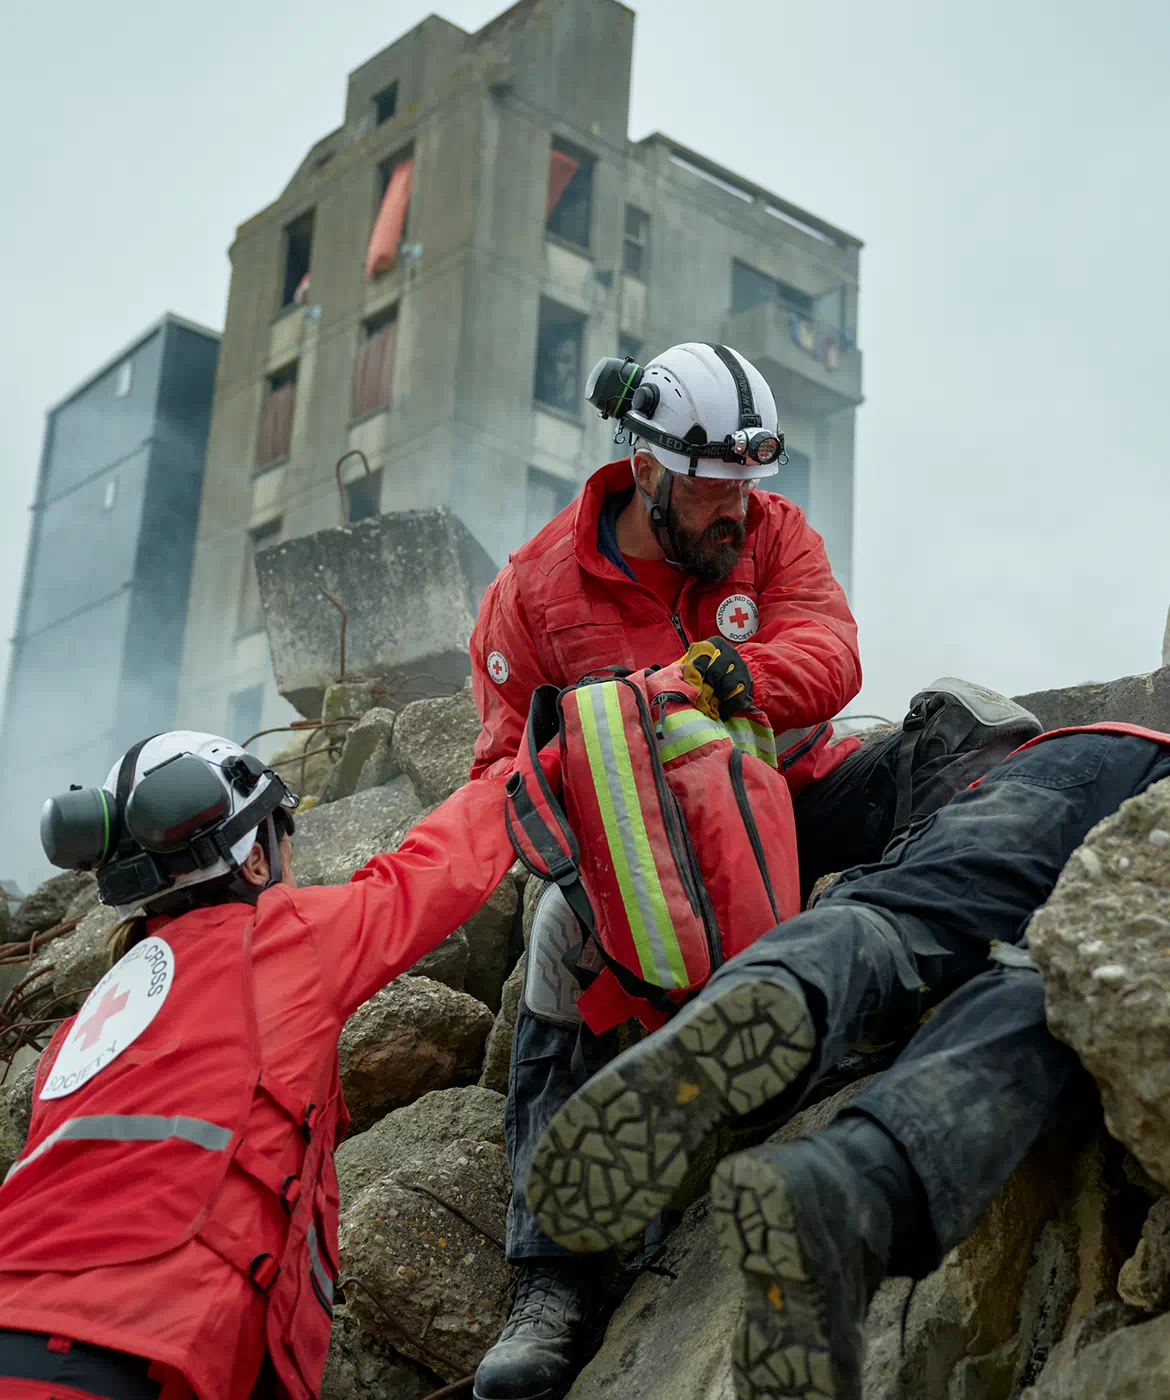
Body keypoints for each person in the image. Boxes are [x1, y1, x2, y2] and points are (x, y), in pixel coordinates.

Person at [469, 341, 1038, 1400]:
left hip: (797, 795)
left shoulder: (773, 537)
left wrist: (728, 680)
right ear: (643, 469)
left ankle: (903, 972)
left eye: (748, 483)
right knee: (556, 932)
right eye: (710, 485)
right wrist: (598, 788)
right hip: (646, 857)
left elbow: (833, 647)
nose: (735, 509)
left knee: (960, 733)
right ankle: (550, 1278)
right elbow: (498, 767)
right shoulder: (535, 592)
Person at [524, 723, 1170, 1400]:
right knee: (1064, 986)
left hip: (1068, 761)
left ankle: (772, 994)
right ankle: (859, 1186)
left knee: (901, 919)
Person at [0, 730, 524, 1400]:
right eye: (287, 847)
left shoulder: (86, 1027)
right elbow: (435, 869)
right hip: (123, 1351)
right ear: (254, 860)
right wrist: (542, 746)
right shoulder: (280, 941)